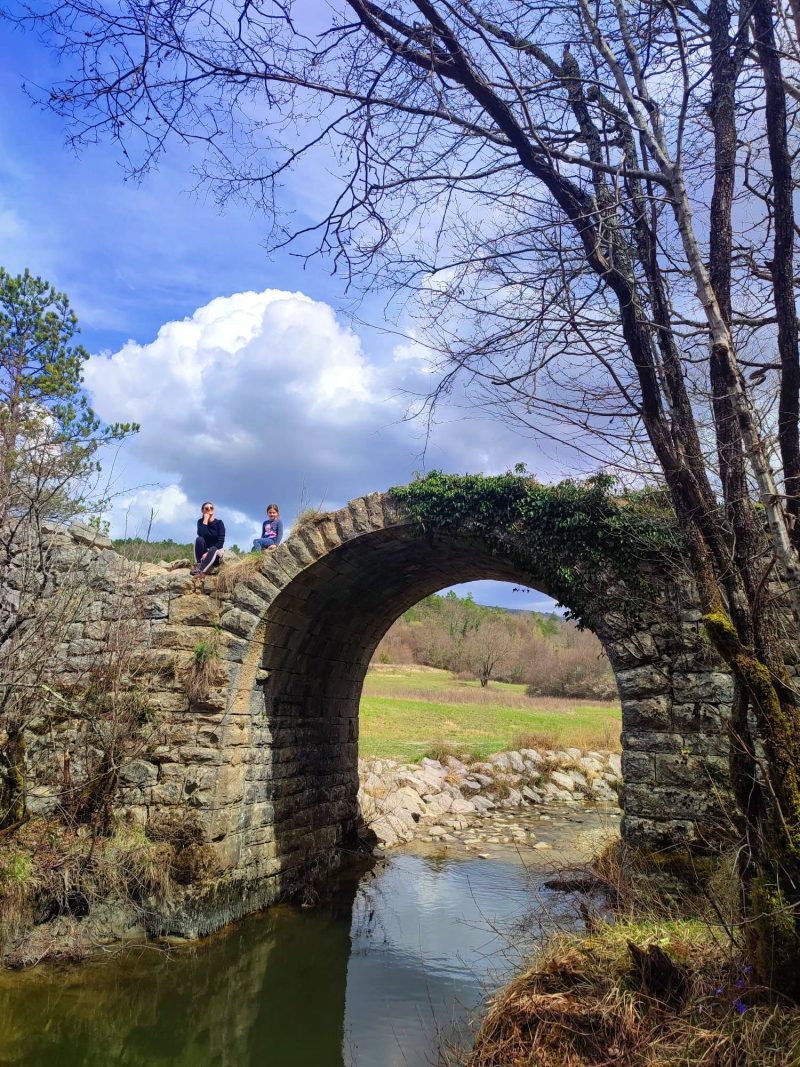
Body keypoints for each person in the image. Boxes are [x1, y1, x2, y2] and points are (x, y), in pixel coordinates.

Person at [191, 501, 225, 576]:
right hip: (203, 555)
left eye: (211, 508)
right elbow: (201, 534)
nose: (209, 509)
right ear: (202, 511)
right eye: (206, 508)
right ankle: (198, 565)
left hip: (216, 553)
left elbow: (221, 542)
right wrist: (205, 519)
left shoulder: (219, 523)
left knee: (213, 549)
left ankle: (201, 571)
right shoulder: (200, 522)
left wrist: (208, 552)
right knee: (199, 539)